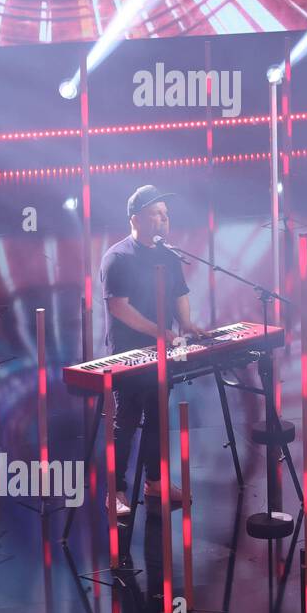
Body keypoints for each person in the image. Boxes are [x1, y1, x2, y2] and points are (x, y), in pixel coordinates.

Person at [100, 186, 204, 517]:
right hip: (130, 353)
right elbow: (119, 308)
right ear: (135, 219)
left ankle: (155, 481)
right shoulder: (118, 257)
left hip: (163, 350)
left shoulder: (169, 255)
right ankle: (115, 491)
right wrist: (158, 332)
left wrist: (186, 323)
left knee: (158, 416)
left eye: (165, 214)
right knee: (126, 422)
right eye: (155, 214)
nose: (163, 220)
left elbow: (179, 293)